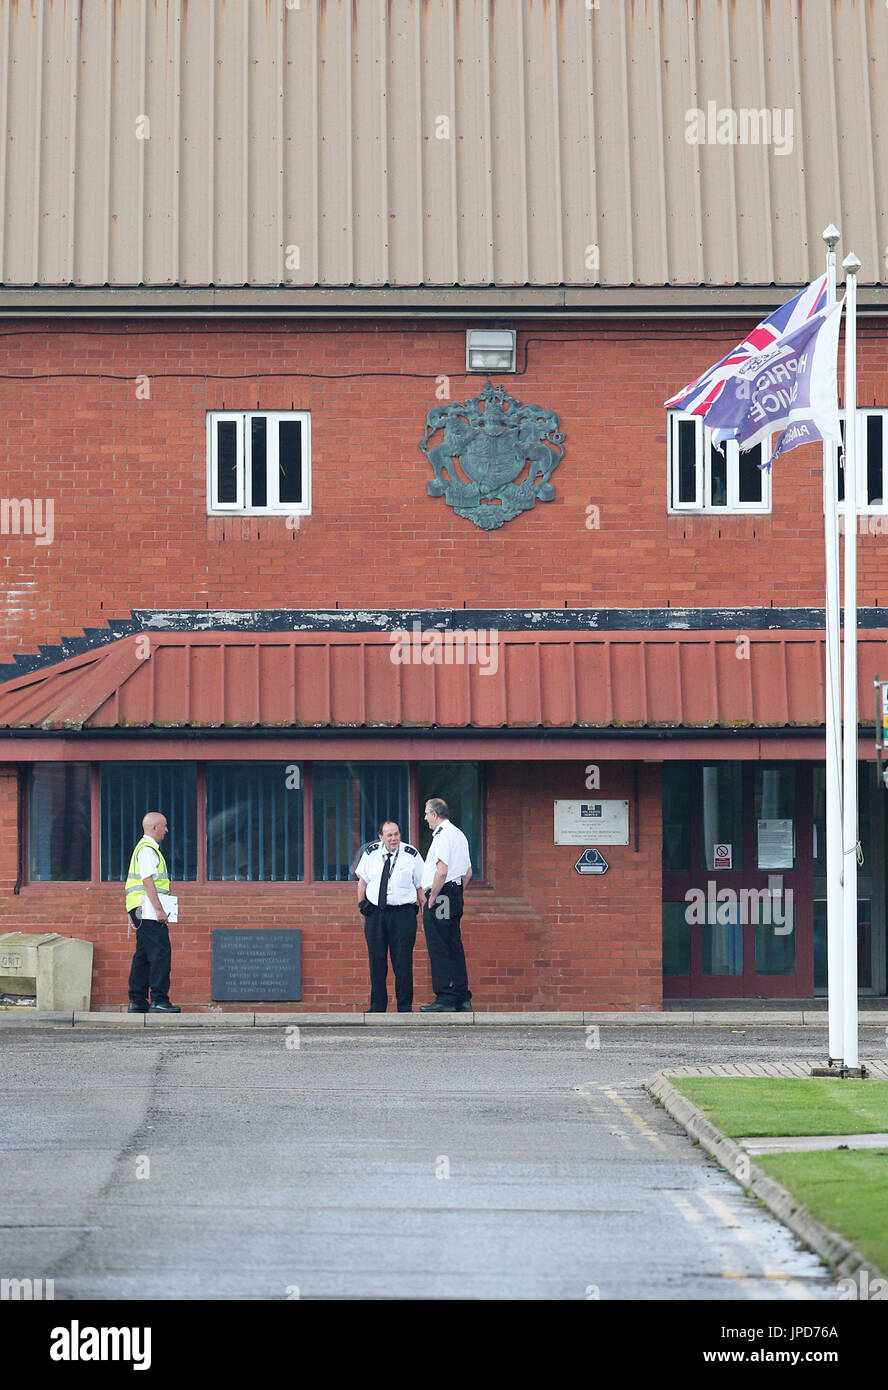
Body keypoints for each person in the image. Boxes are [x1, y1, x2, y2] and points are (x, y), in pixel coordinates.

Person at [355, 821, 425, 1012]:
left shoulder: (411, 854)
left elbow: (420, 887)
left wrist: (425, 913)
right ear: (381, 837)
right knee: (376, 962)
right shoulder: (371, 853)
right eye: (389, 835)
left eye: (396, 834)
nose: (393, 839)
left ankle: (404, 1007)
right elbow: (362, 882)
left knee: (403, 962)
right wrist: (362, 909)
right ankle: (377, 1007)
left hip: (403, 914)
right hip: (376, 914)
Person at [420, 798, 473, 1013]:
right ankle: (462, 997)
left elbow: (442, 870)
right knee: (454, 945)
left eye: (426, 814)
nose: (425, 818)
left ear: (434, 814)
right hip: (455, 891)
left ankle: (444, 997)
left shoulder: (442, 835)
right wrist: (456, 893)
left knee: (439, 945)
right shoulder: (459, 834)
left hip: (441, 894)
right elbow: (468, 872)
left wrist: (432, 896)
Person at [125, 811, 181, 1014]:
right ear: (154, 828)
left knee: (143, 955)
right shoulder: (148, 849)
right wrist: (159, 910)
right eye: (164, 826)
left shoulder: (143, 848)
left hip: (139, 908)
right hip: (148, 910)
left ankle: (137, 1001)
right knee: (160, 953)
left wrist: (132, 912)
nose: (166, 830)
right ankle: (159, 1000)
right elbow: (147, 880)